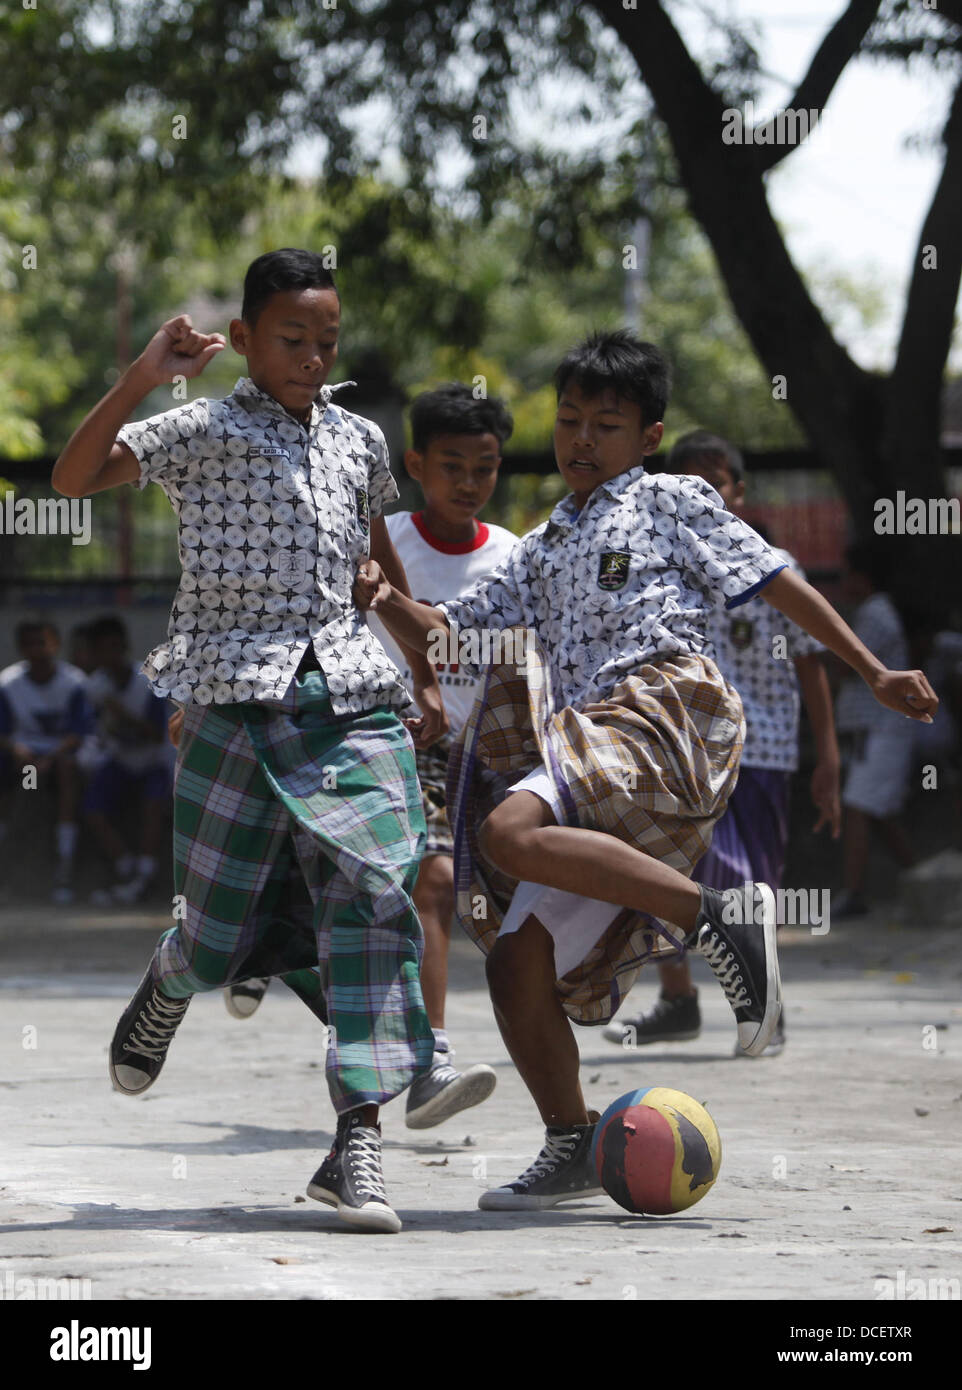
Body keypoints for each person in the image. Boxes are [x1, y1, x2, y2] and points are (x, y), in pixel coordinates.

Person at [354, 329, 937, 1212]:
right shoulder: (544, 544)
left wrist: (872, 670)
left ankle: (717, 915)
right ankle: (573, 1141)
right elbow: (448, 632)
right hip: (592, 739)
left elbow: (778, 581)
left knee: (505, 833)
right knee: (517, 962)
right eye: (571, 420)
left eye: (608, 424)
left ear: (650, 437)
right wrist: (381, 597)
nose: (583, 439)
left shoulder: (670, 501)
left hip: (670, 712)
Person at [52, 247, 447, 1235]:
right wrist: (144, 375)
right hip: (232, 699)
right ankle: (176, 972)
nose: (313, 356)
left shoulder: (360, 440)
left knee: (370, 890)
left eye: (326, 340)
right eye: (291, 339)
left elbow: (375, 563)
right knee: (224, 932)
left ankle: (356, 1141)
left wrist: (422, 668)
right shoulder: (202, 429)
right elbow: (71, 478)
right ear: (242, 341)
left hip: (350, 698)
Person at [221, 383, 519, 1131]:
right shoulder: (376, 536)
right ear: (414, 463)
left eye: (485, 467)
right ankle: (266, 943)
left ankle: (430, 1059)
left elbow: (510, 655)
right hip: (353, 726)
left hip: (451, 746)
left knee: (435, 884)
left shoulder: (512, 554)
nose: (470, 482)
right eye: (453, 465)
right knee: (352, 888)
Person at [603, 430, 841, 1058]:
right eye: (690, 482)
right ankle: (678, 999)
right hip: (682, 747)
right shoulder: (662, 565)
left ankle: (765, 1005)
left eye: (717, 482)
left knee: (751, 884)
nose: (704, 493)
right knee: (661, 866)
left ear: (738, 491)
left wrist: (830, 759)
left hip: (761, 747)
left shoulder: (772, 562)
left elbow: (812, 661)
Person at [833, 543, 917, 917]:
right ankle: (917, 878)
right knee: (879, 812)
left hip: (882, 730)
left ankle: (853, 894)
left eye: (846, 573)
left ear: (861, 577)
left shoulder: (875, 615)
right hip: (875, 731)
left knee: (859, 807)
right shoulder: (875, 612)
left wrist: (809, 647)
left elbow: (846, 667)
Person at [0, 620, 92, 904]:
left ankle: (63, 870)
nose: (37, 649)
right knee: (19, 778)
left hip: (58, 758)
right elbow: (3, 733)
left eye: (43, 642)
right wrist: (19, 751)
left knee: (67, 771)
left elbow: (79, 733)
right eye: (30, 643)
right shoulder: (8, 683)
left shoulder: (75, 682)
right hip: (24, 759)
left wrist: (49, 758)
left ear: (55, 644)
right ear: (21, 648)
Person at [82, 615, 171, 904]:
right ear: (94, 653)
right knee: (93, 806)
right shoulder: (94, 686)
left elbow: (157, 735)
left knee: (153, 804)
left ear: (125, 647)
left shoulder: (146, 679)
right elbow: (95, 732)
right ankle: (126, 868)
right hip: (120, 758)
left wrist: (120, 713)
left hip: (154, 760)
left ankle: (145, 873)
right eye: (102, 649)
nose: (110, 655)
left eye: (115, 647)